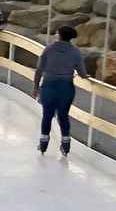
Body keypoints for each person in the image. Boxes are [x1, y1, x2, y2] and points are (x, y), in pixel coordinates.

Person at [31, 25, 91, 155]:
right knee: (63, 116)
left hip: (49, 86)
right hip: (66, 87)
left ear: (59, 35)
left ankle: (43, 144)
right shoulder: (75, 52)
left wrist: (35, 86)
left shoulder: (49, 49)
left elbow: (39, 69)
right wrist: (85, 76)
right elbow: (82, 72)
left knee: (47, 116)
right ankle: (65, 145)